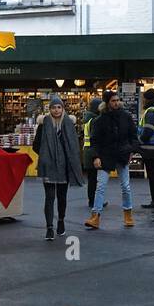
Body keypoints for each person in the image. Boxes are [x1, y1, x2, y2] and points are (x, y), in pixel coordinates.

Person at [33, 95, 84, 241]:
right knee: (49, 197)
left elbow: (74, 145)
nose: (56, 110)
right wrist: (46, 155)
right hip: (48, 165)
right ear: (49, 109)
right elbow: (36, 145)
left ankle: (61, 221)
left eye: (59, 107)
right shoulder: (44, 124)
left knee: (62, 197)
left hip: (64, 166)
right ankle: (49, 228)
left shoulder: (68, 123)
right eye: (53, 107)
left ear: (63, 108)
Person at [87, 89, 137, 230]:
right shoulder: (99, 120)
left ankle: (128, 214)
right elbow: (94, 140)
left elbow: (133, 135)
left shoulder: (126, 117)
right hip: (105, 155)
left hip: (122, 154)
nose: (116, 103)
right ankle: (95, 216)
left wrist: (131, 150)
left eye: (117, 100)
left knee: (125, 186)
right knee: (100, 186)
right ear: (107, 103)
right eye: (113, 101)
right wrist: (96, 156)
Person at [81, 97, 103, 207]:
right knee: (95, 179)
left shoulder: (87, 119)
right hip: (93, 151)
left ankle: (92, 199)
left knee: (91, 178)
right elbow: (96, 138)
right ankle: (94, 201)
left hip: (87, 150)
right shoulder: (95, 120)